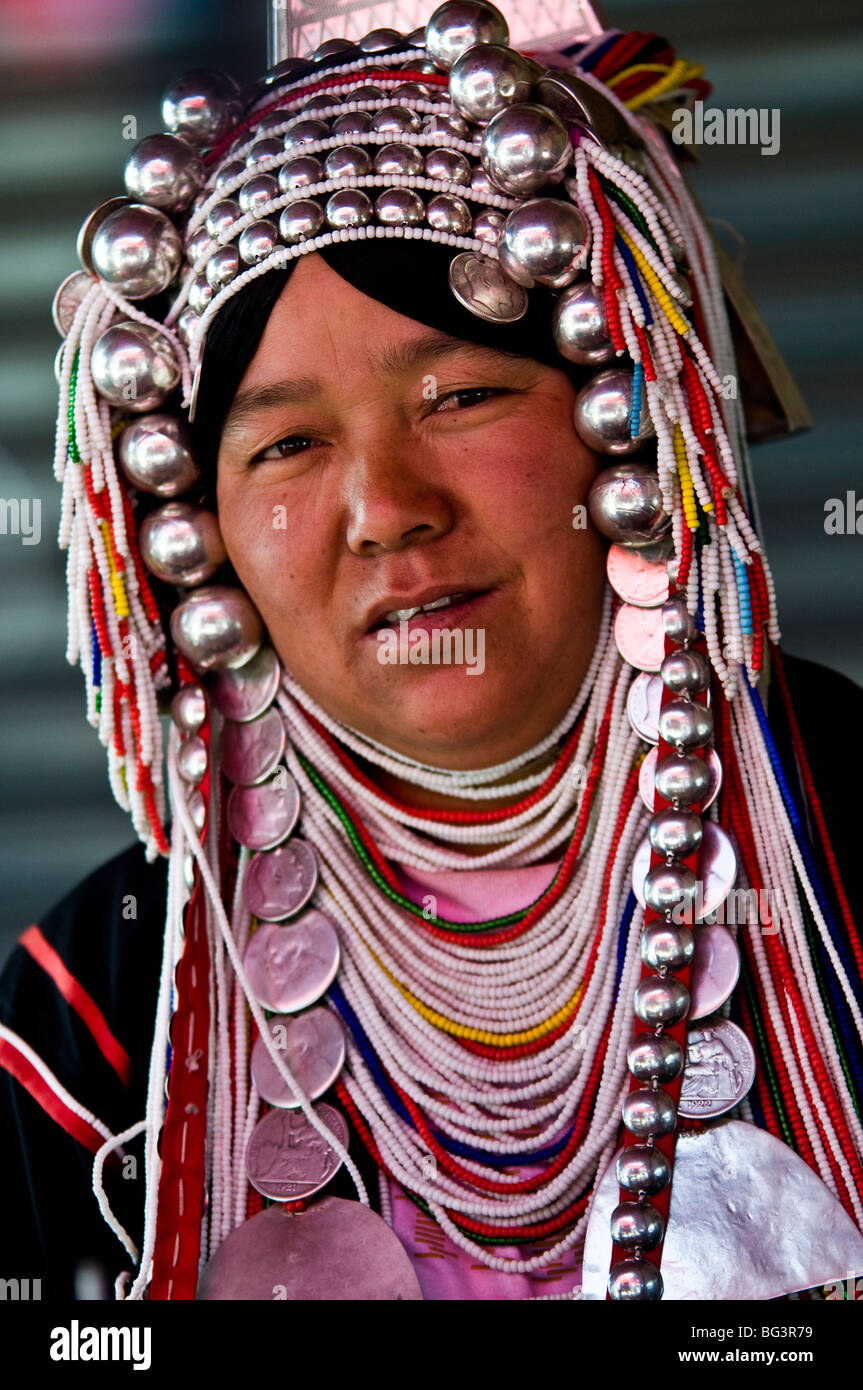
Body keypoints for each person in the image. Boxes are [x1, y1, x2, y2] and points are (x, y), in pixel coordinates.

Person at [2, 1, 862, 1302]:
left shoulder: (840, 849)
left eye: (460, 396)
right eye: (286, 444)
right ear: (197, 529)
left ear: (624, 422)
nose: (388, 507)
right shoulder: (95, 1022)